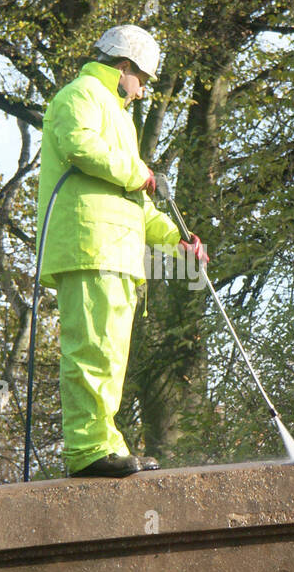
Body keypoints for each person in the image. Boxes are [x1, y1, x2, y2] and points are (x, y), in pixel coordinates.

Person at [35, 24, 209, 478]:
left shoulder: (118, 116)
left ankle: (104, 443)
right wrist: (139, 171)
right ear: (124, 67)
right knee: (92, 351)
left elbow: (136, 202)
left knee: (109, 355)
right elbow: (80, 146)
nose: (143, 90)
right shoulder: (80, 94)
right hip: (87, 244)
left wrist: (176, 238)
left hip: (114, 251)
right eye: (144, 80)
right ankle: (88, 451)